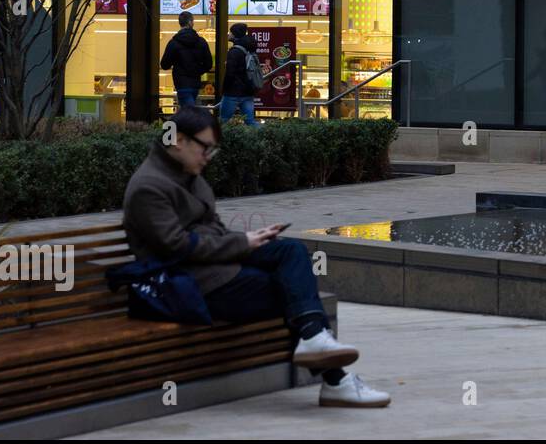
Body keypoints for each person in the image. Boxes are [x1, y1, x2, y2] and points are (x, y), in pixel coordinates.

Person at [122, 106, 389, 407]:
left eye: (213, 150)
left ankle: (319, 347)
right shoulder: (149, 186)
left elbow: (209, 229)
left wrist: (252, 239)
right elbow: (178, 247)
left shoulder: (187, 173)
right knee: (289, 290)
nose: (208, 156)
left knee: (289, 251)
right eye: (205, 148)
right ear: (178, 140)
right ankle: (334, 378)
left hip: (213, 266)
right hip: (187, 284)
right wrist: (242, 242)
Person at [160, 11, 213, 108]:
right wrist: (198, 71)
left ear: (180, 23)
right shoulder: (201, 42)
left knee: (188, 113)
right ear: (190, 22)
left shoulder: (173, 43)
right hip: (195, 83)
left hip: (181, 83)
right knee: (191, 112)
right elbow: (209, 64)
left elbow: (164, 65)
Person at [220, 22, 259, 126]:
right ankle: (267, 135)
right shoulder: (250, 49)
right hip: (248, 91)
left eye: (230, 32)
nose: (228, 34)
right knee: (250, 121)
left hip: (233, 92)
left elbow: (230, 73)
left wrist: (224, 89)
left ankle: (220, 141)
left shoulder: (234, 52)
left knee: (223, 120)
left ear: (235, 34)